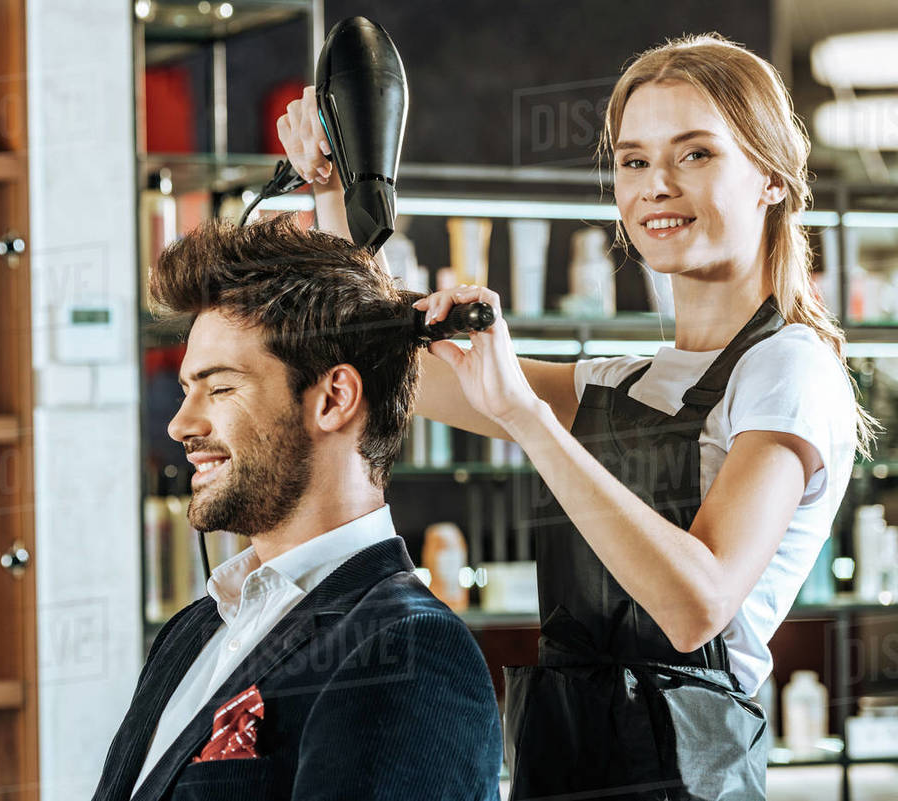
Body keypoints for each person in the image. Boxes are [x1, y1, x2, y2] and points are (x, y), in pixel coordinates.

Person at [277, 32, 878, 801]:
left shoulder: (787, 366)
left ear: (769, 176)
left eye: (695, 154)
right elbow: (409, 377)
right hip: (566, 756)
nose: (656, 184)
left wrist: (528, 418)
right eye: (633, 160)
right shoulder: (624, 379)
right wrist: (336, 195)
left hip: (684, 774)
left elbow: (697, 603)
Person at [92, 216, 503, 801]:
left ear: (334, 398)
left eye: (222, 387)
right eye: (187, 388)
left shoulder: (409, 650)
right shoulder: (192, 631)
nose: (181, 425)